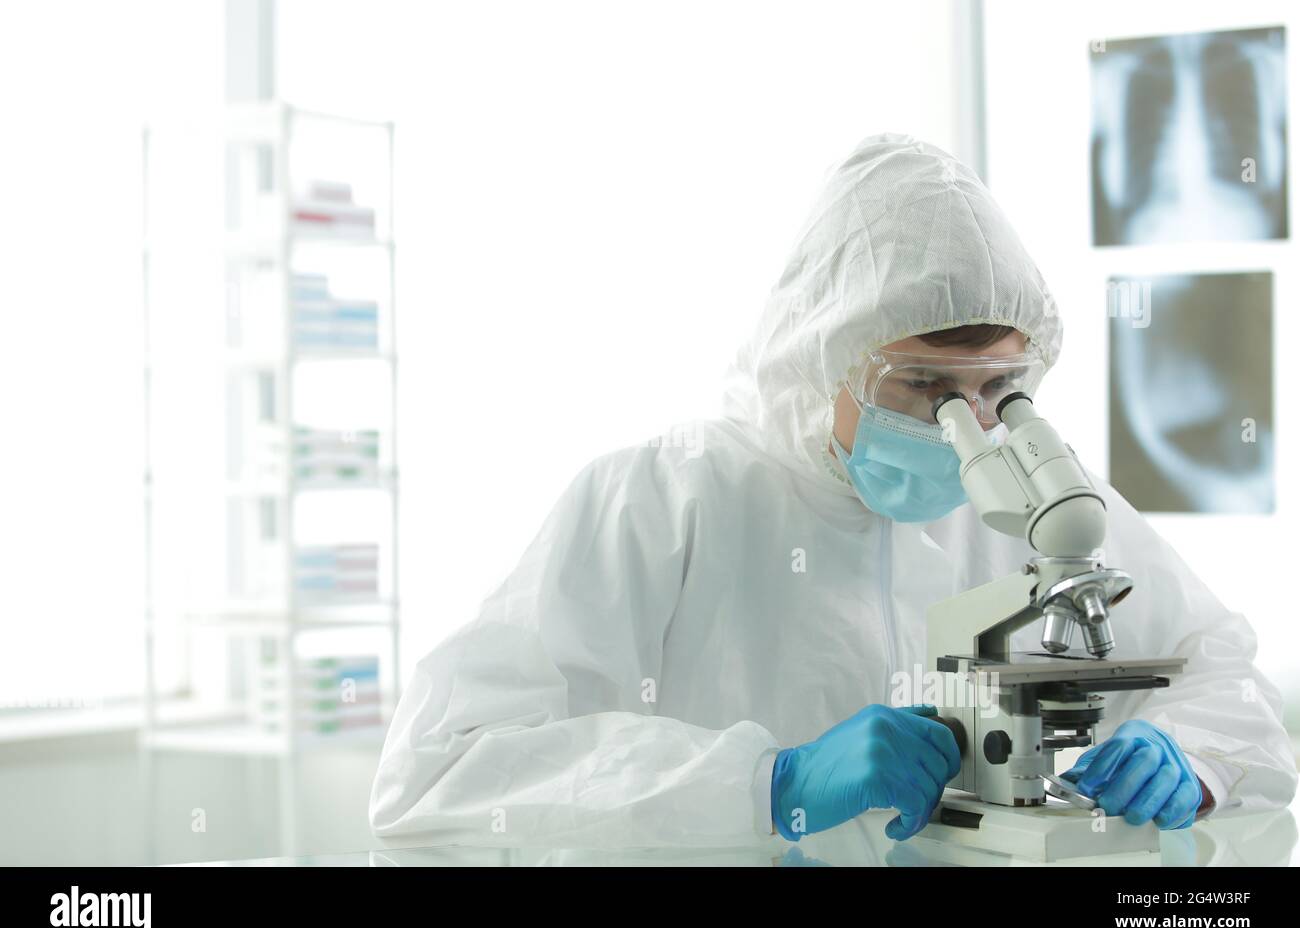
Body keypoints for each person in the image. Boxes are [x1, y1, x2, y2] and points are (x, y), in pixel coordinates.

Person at [369, 133, 1297, 847]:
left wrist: (1199, 757)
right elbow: (439, 779)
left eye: (1000, 388)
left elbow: (1221, 674)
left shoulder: (1043, 500)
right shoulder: (665, 499)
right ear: (826, 361)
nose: (968, 426)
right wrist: (767, 786)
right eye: (927, 387)